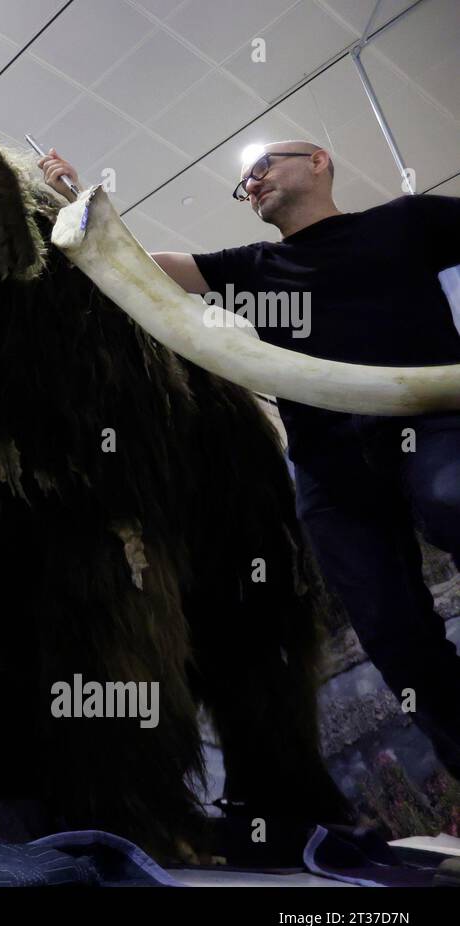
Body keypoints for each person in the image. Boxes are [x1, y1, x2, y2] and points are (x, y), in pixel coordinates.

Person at [41, 144, 460, 779]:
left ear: (319, 160)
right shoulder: (253, 267)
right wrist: (65, 199)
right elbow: (132, 269)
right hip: (331, 469)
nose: (251, 182)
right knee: (392, 634)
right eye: (243, 183)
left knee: (451, 500)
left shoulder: (405, 222)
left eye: (262, 167)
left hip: (431, 423)